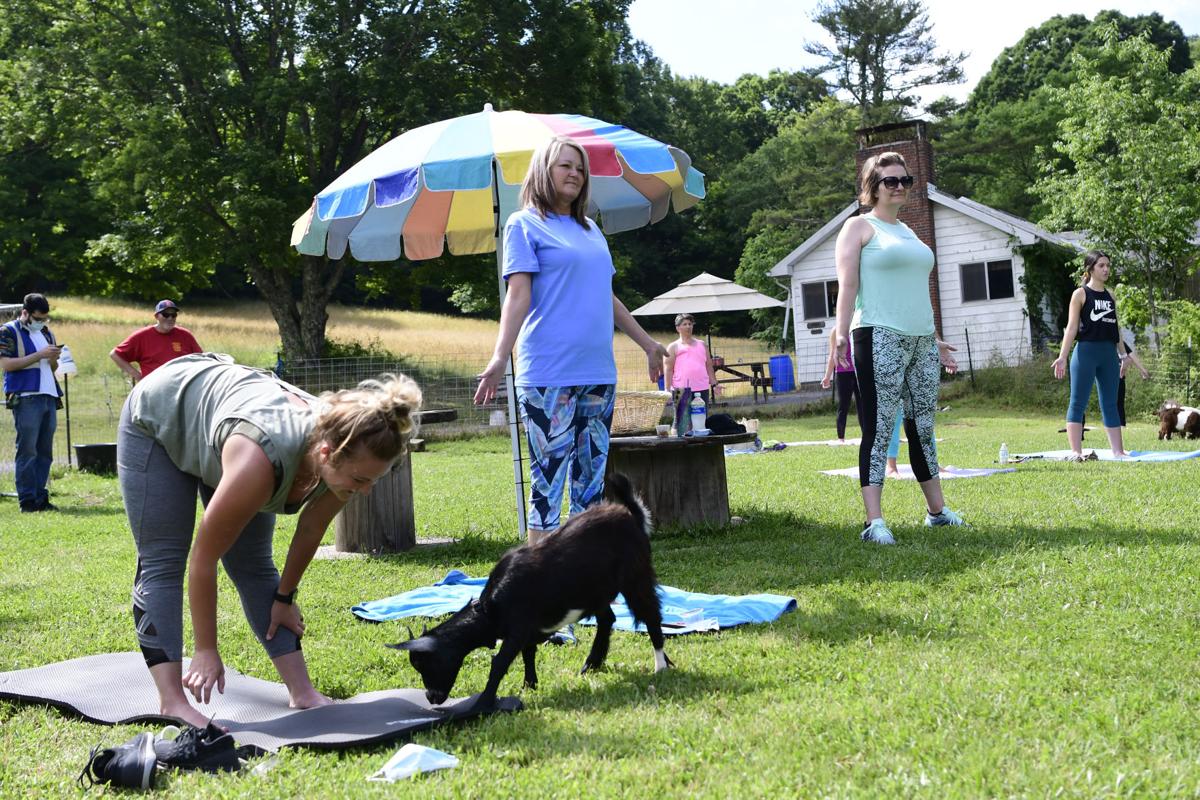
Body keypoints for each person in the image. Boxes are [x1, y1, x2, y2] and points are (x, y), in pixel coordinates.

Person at [119, 352, 421, 727]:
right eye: (362, 481)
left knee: (253, 564)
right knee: (164, 561)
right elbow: (203, 559)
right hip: (165, 413)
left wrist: (284, 598)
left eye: (374, 480)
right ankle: (172, 702)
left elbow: (311, 528)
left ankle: (302, 692)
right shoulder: (259, 463)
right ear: (325, 454)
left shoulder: (347, 450)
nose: (366, 491)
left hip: (224, 422)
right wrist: (206, 649)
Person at [473, 135, 667, 545]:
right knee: (548, 479)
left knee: (591, 484)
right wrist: (497, 358)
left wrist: (648, 344)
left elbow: (606, 296)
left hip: (598, 372)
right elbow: (518, 296)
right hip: (548, 374)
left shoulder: (592, 229)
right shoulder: (523, 225)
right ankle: (541, 580)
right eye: (565, 165)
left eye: (580, 168)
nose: (575, 174)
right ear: (544, 170)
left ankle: (584, 578)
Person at [833, 152, 963, 545]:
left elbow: (914, 289)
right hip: (877, 334)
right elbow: (848, 287)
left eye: (905, 180)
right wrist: (840, 333)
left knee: (923, 426)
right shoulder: (858, 227)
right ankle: (875, 521)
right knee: (878, 426)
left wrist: (933, 337)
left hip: (921, 339)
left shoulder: (908, 231)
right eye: (891, 180)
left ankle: (937, 512)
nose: (901, 186)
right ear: (873, 186)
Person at [1051, 251, 1139, 461]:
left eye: (1108, 265)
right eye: (1101, 265)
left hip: (1108, 355)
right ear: (1091, 269)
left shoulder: (1110, 296)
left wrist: (1123, 355)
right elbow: (1071, 328)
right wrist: (1063, 356)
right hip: (1085, 353)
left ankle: (1118, 451)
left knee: (1111, 403)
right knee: (1078, 402)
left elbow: (1116, 329)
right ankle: (1076, 452)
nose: (1106, 269)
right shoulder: (1080, 294)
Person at [1, 293, 63, 513]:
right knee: (28, 451)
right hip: (26, 397)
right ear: (24, 312)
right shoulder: (8, 331)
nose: (41, 323)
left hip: (48, 395)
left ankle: (41, 498)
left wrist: (54, 358)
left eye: (45, 318)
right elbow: (7, 365)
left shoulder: (47, 333)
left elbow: (53, 368)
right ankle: (27, 501)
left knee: (45, 452)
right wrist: (39, 355)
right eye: (37, 318)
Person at [110, 300, 203, 383]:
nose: (170, 318)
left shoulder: (185, 335)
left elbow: (201, 359)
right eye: (166, 314)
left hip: (182, 387)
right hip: (153, 389)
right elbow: (115, 354)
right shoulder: (142, 336)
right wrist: (138, 376)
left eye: (173, 315)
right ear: (156, 316)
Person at [664, 313, 719, 406]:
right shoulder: (673, 347)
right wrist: (667, 390)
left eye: (690, 324)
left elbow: (709, 366)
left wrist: (714, 384)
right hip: (680, 389)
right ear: (678, 328)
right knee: (682, 420)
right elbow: (668, 369)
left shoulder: (702, 344)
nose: (688, 326)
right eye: (684, 324)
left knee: (701, 419)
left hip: (702, 388)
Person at [820, 326, 860, 443]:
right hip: (842, 373)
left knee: (862, 406)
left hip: (858, 371)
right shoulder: (835, 331)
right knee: (843, 406)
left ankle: (866, 436)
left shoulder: (857, 327)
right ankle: (841, 438)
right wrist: (827, 377)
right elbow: (832, 354)